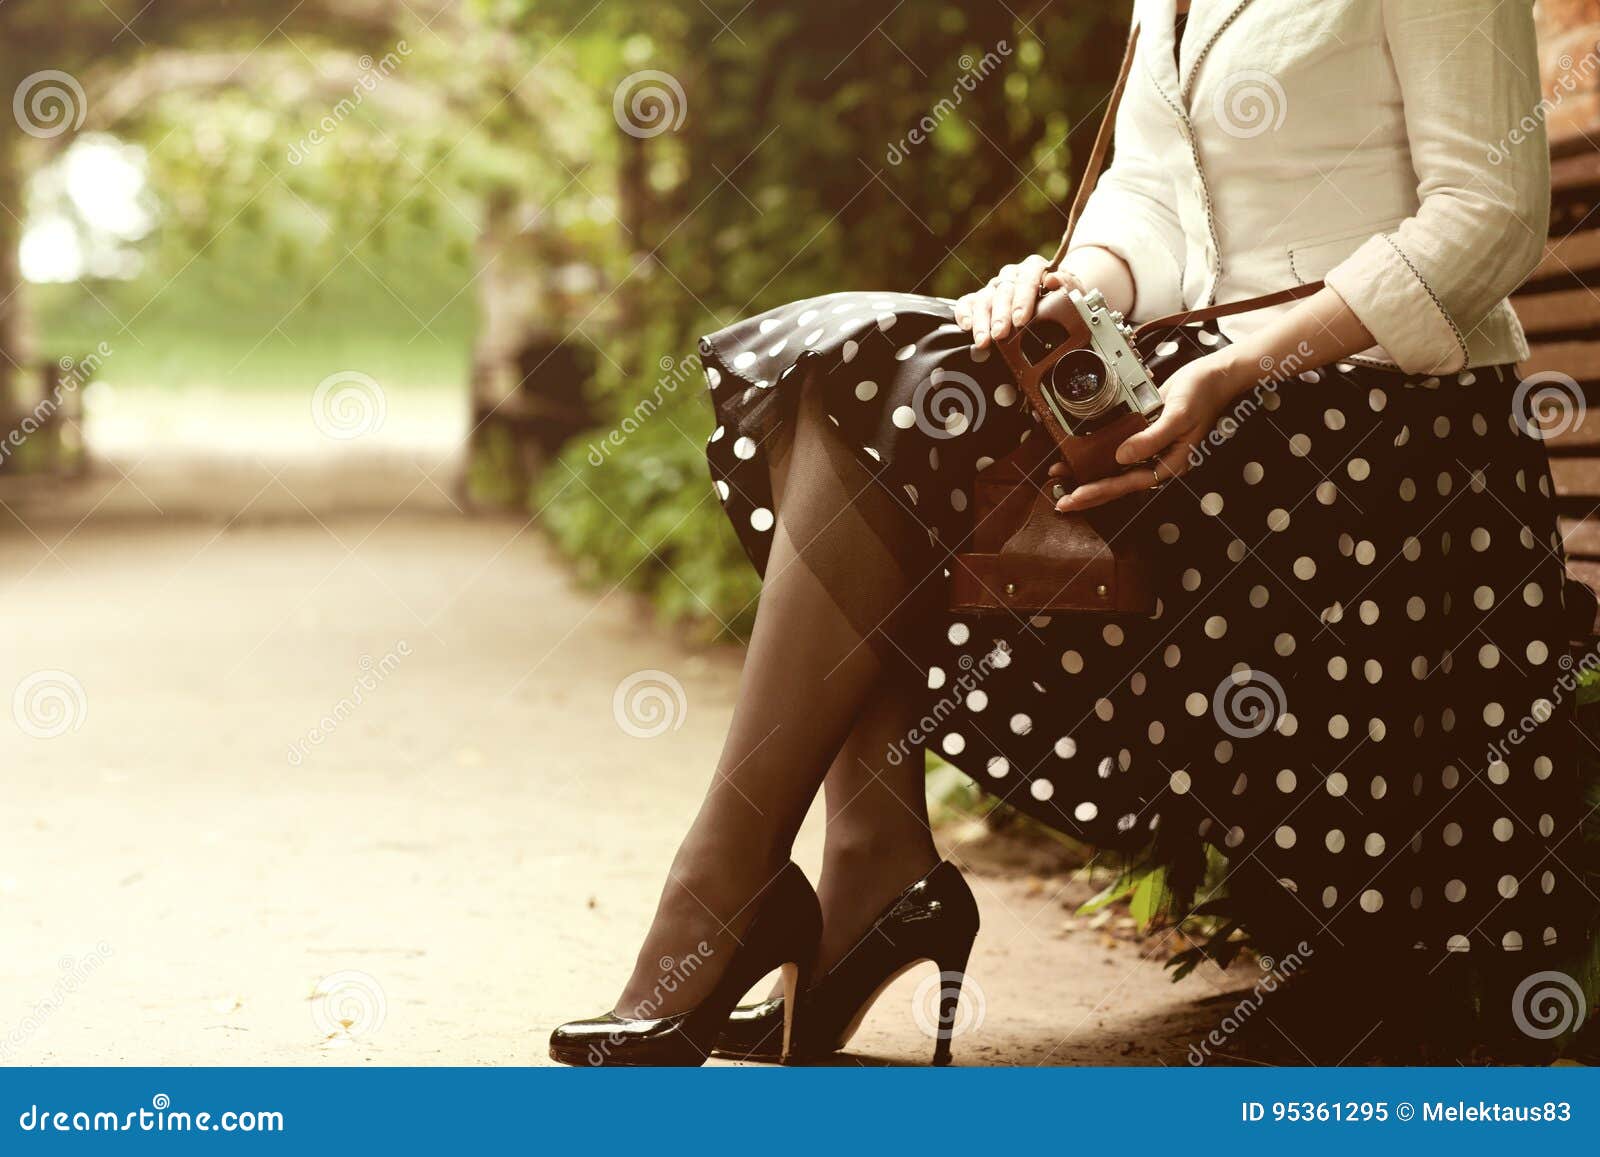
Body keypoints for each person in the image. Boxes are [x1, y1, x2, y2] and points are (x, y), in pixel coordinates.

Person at [552, 0, 1592, 1066]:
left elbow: (1489, 212)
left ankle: (746, 891)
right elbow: (1147, 193)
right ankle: (859, 860)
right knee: (856, 369)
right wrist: (1064, 287)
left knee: (892, 413)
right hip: (1191, 380)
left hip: (1374, 420)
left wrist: (1244, 363)